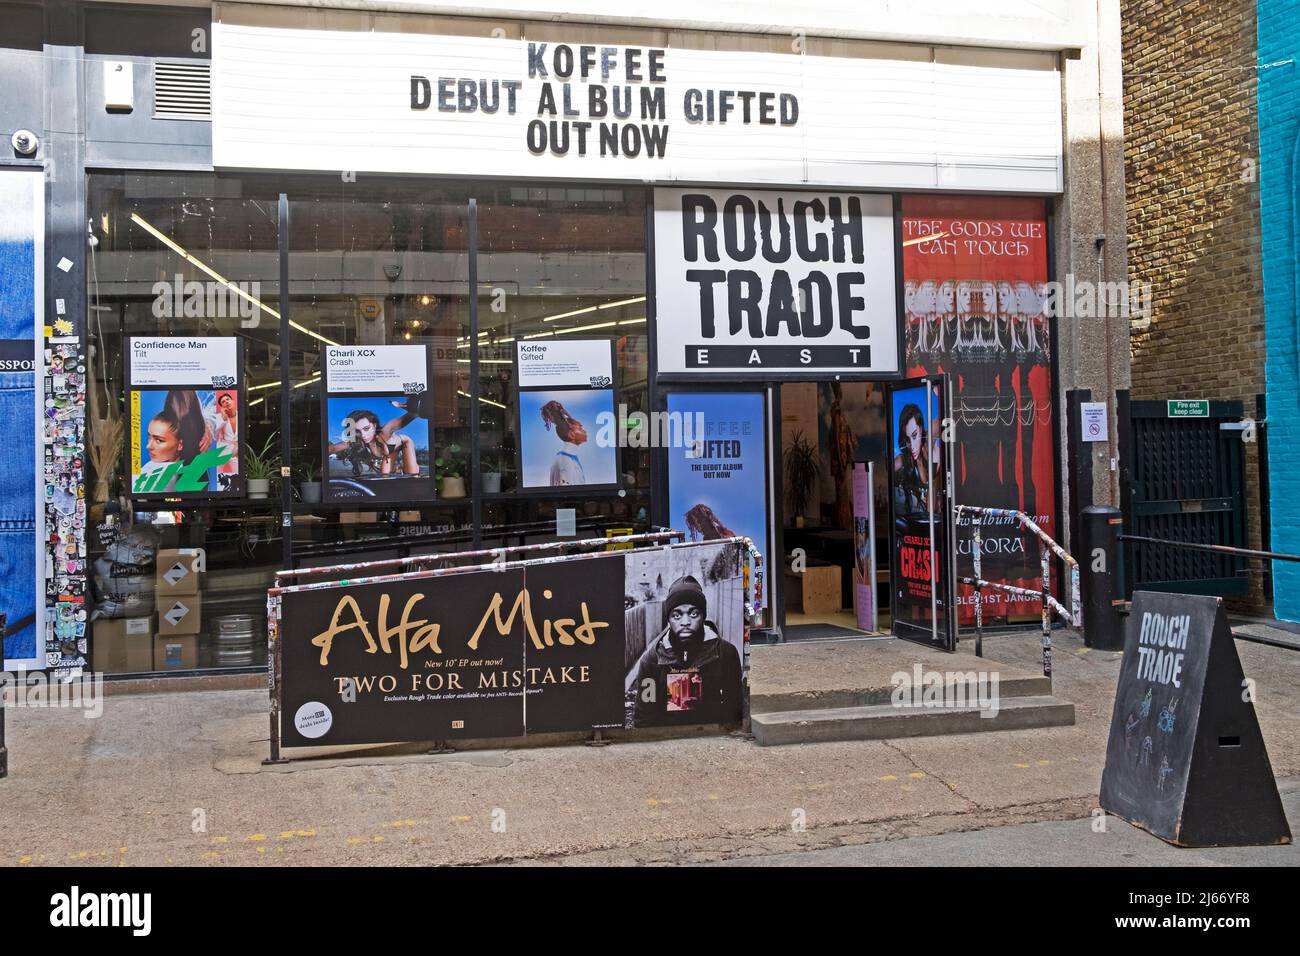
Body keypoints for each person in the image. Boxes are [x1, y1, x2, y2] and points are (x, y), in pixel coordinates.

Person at [625, 574, 741, 727]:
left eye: (694, 614)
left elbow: (734, 710)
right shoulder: (652, 660)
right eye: (677, 615)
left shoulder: (725, 654)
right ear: (668, 619)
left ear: (703, 615)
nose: (685, 622)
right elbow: (645, 716)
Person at [136, 389, 211, 492]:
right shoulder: (198, 467)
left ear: (180, 444)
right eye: (150, 437)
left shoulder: (153, 475)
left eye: (159, 440)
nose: (148, 446)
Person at [328, 401, 420, 477]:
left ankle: (405, 469)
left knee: (412, 475)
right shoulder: (357, 439)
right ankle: (397, 468)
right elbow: (333, 448)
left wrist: (403, 405)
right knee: (384, 477)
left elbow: (413, 414)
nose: (363, 435)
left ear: (374, 425)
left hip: (404, 442)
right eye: (358, 431)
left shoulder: (385, 431)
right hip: (389, 453)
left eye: (366, 429)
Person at [892, 401, 938, 516]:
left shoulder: (933, 456)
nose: (912, 446)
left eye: (914, 435)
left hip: (930, 526)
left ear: (922, 429)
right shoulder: (902, 460)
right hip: (909, 528)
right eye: (908, 439)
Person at [539, 399, 589, 486]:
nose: (585, 431)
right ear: (571, 435)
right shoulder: (565, 461)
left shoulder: (567, 458)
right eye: (580, 429)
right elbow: (568, 492)